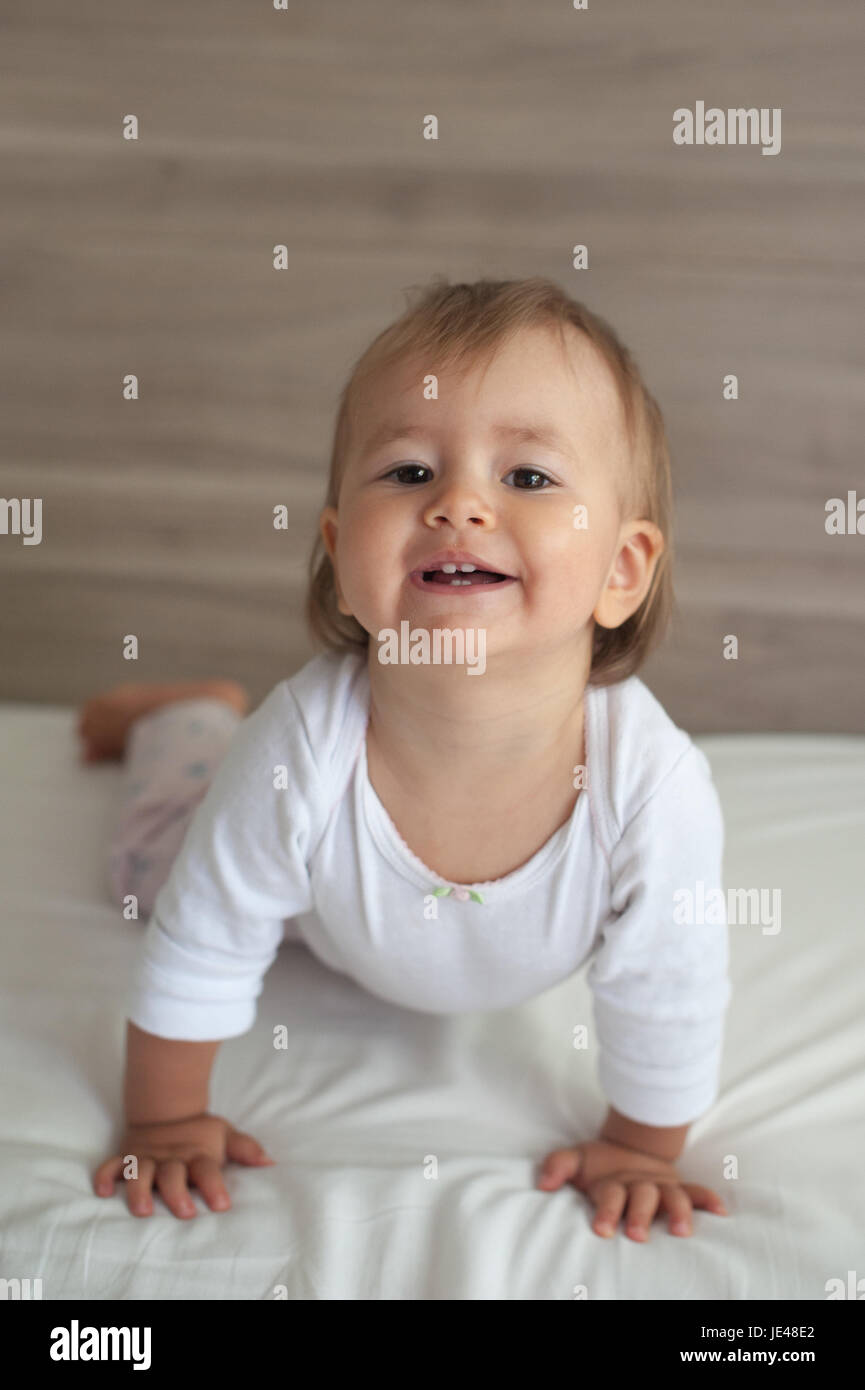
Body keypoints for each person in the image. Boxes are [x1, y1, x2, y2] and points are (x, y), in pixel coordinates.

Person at [89, 275, 730, 1242]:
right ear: (343, 556)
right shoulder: (298, 749)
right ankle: (185, 715)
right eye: (406, 472)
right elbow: (204, 938)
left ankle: (197, 707)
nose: (459, 504)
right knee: (146, 869)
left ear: (621, 571)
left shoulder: (650, 789)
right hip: (323, 911)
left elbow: (668, 988)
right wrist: (166, 1120)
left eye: (526, 476)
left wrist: (642, 1145)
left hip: (387, 921)